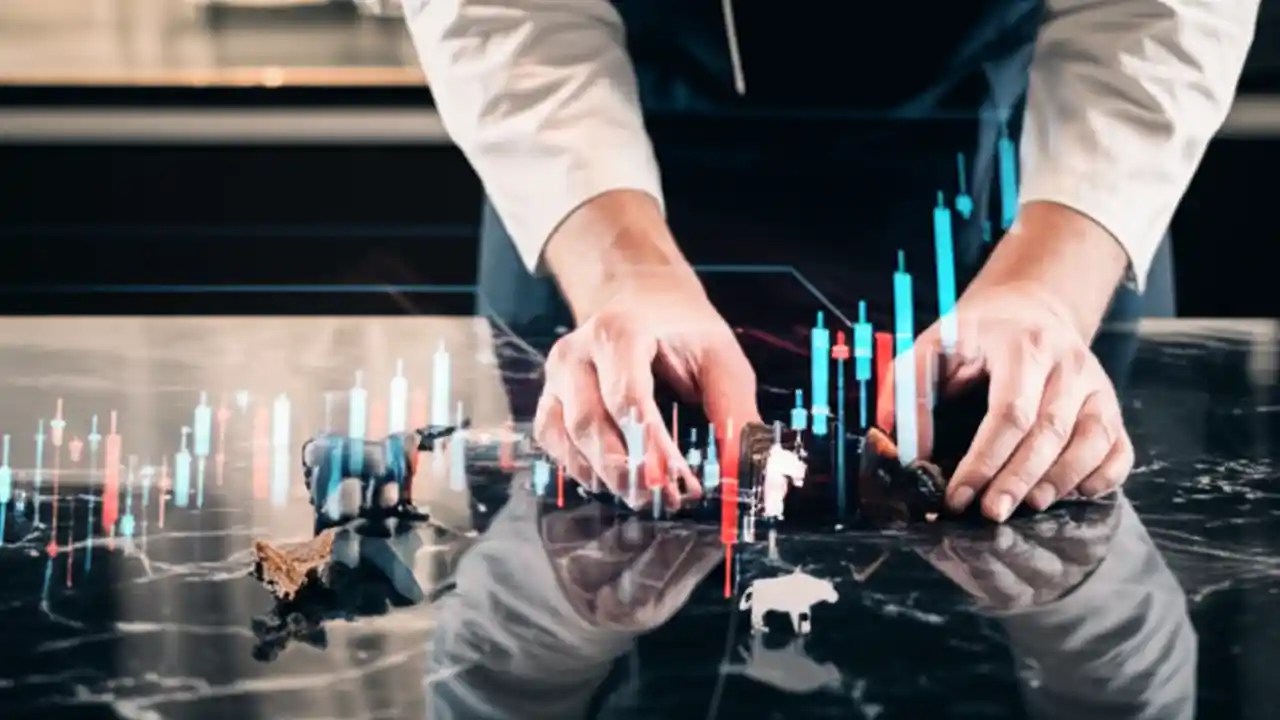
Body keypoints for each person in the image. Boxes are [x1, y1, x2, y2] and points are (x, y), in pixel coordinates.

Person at [403, 0, 1259, 521]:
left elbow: (1160, 12)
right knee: (593, 557)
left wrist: (1046, 285)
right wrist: (624, 272)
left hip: (1020, 158)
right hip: (601, 146)